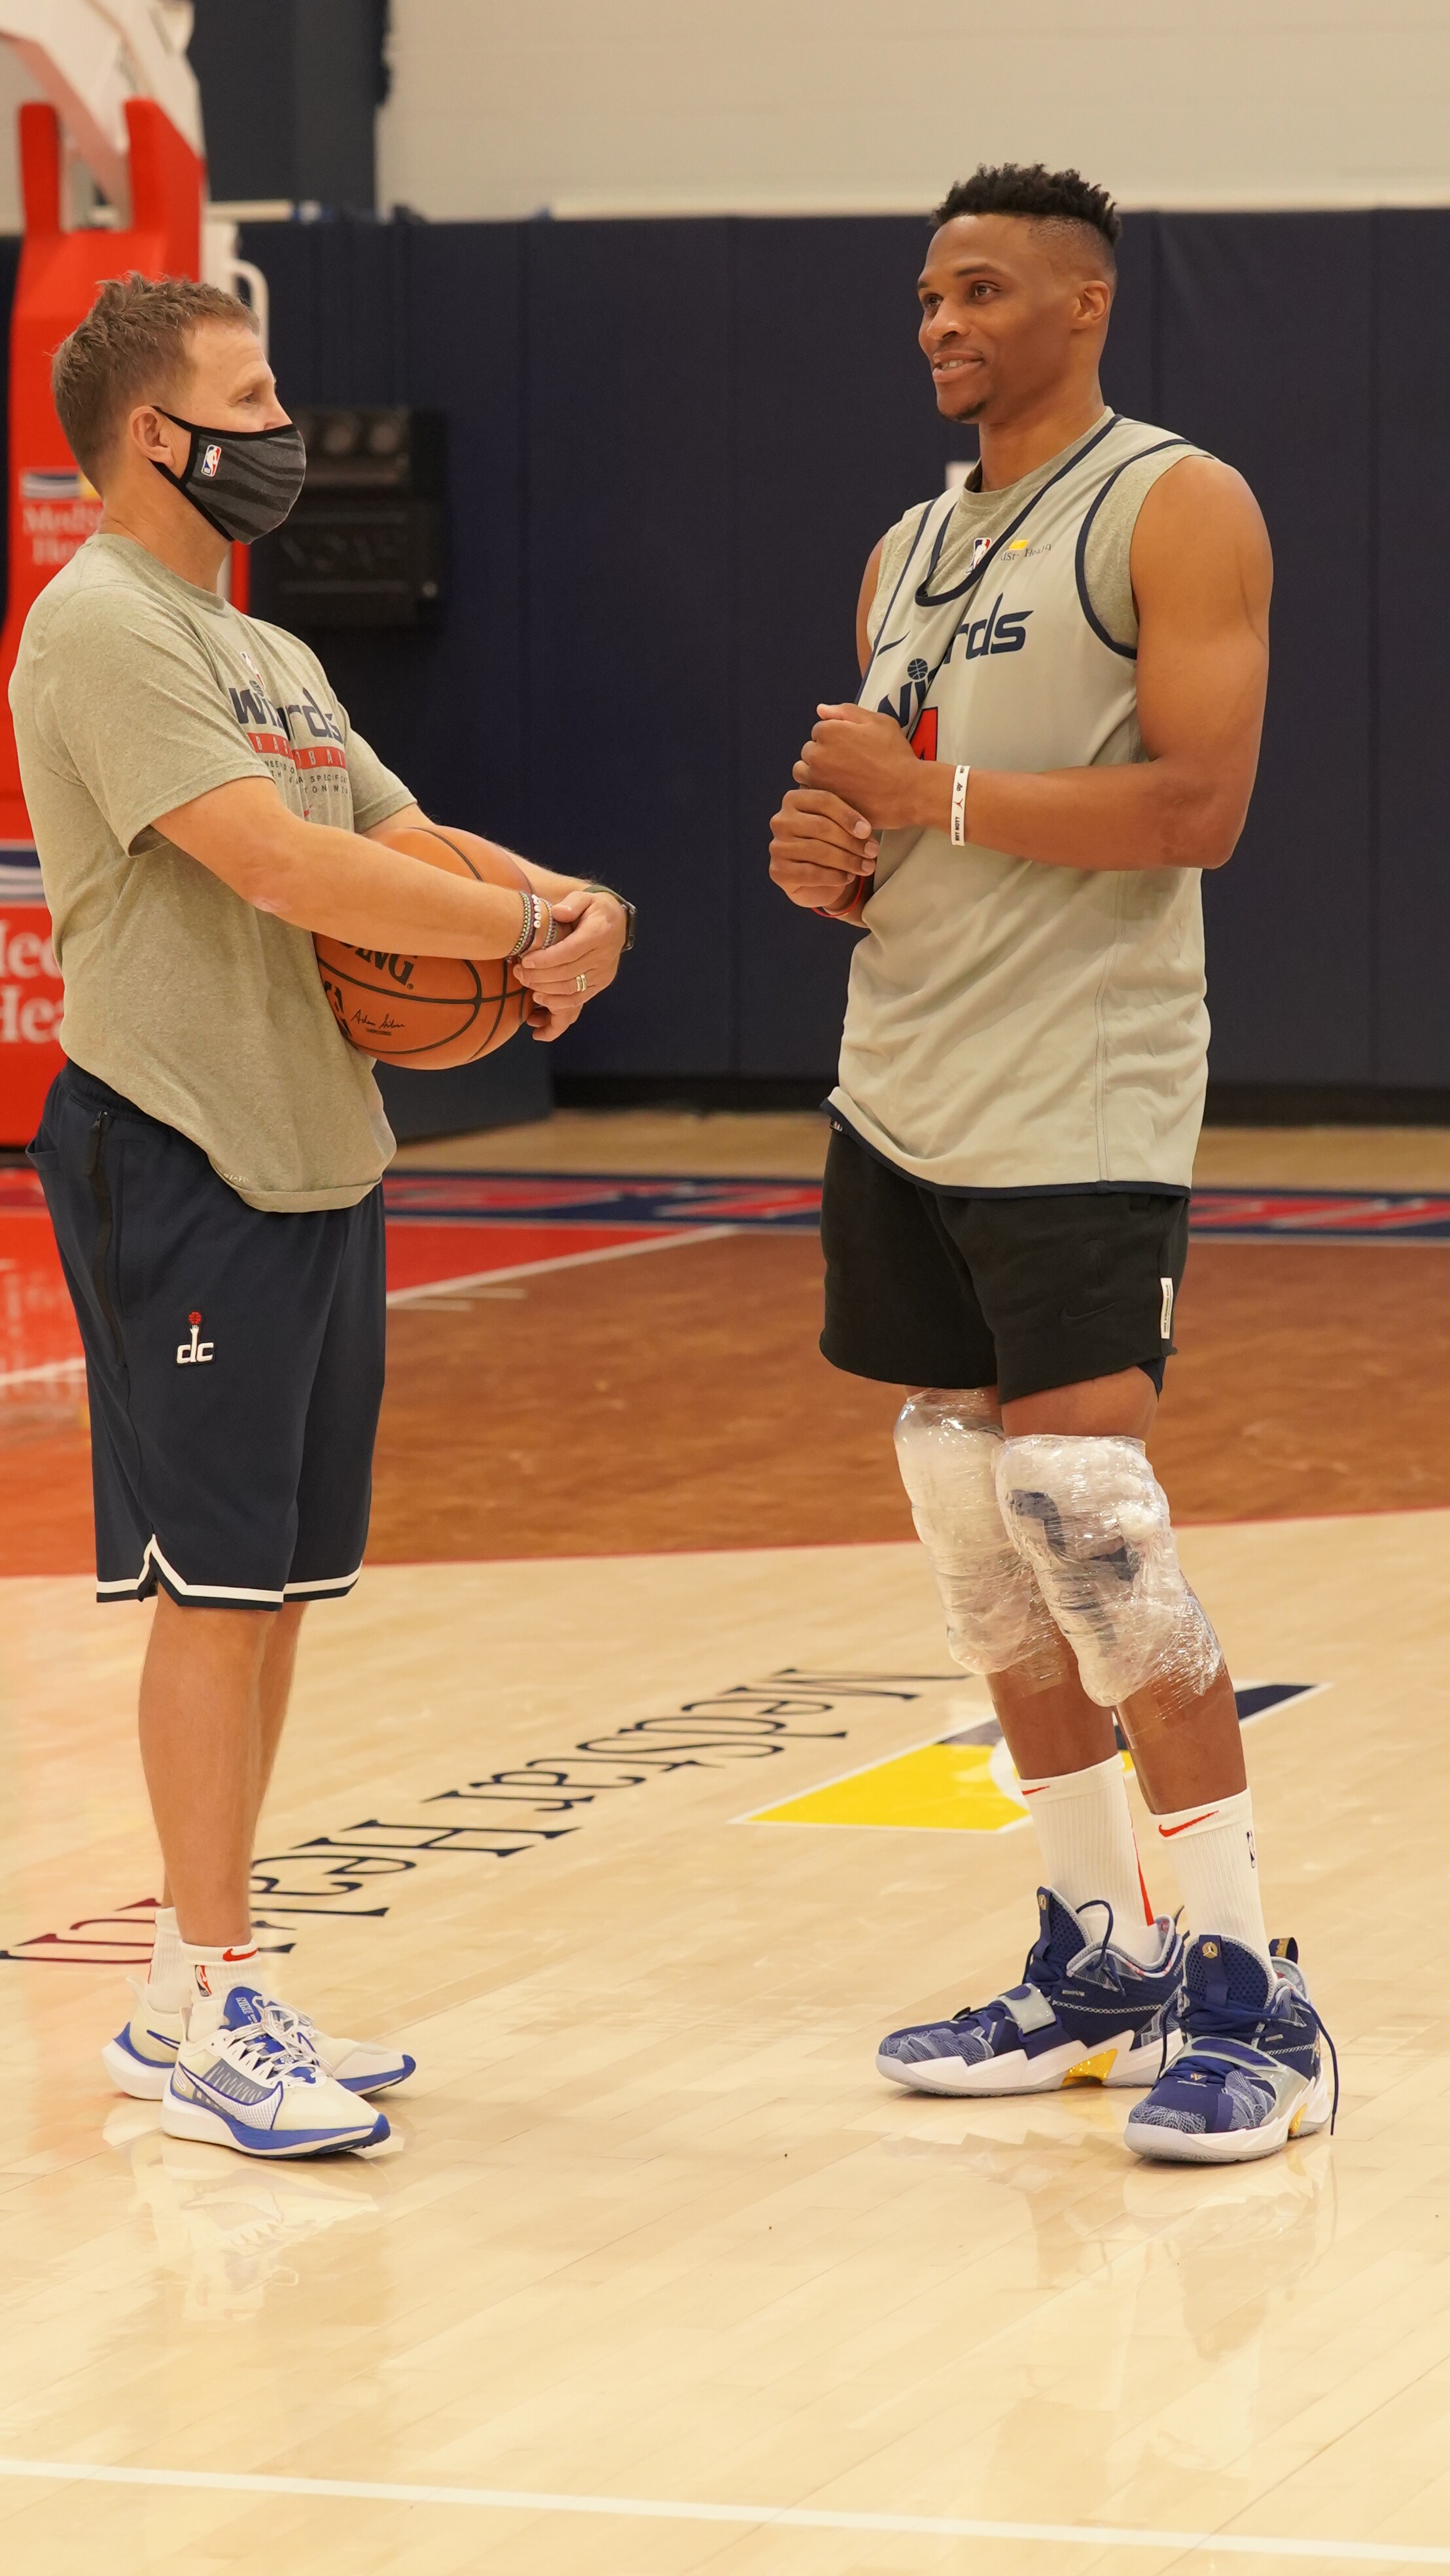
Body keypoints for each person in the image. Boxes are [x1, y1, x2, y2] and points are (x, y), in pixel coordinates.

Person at [12, 273, 633, 2162]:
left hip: (315, 1150)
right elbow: (282, 863)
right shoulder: (102, 625)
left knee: (275, 1590)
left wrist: (574, 906)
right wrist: (519, 936)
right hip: (176, 1148)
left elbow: (399, 830)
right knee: (208, 1592)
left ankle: (204, 1984)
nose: (284, 426)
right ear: (156, 433)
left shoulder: (256, 645)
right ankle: (201, 1999)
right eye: (253, 394)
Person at [769, 164, 1329, 2164]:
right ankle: (1096, 1948)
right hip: (902, 1076)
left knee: (1086, 1512)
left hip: (1081, 1087)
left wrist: (931, 794)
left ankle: (1254, 1988)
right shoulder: (905, 546)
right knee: (965, 1506)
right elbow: (907, 822)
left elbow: (1199, 804)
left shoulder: (1176, 502)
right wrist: (835, 855)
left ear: (1086, 307)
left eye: (983, 289)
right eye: (928, 292)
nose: (942, 323)